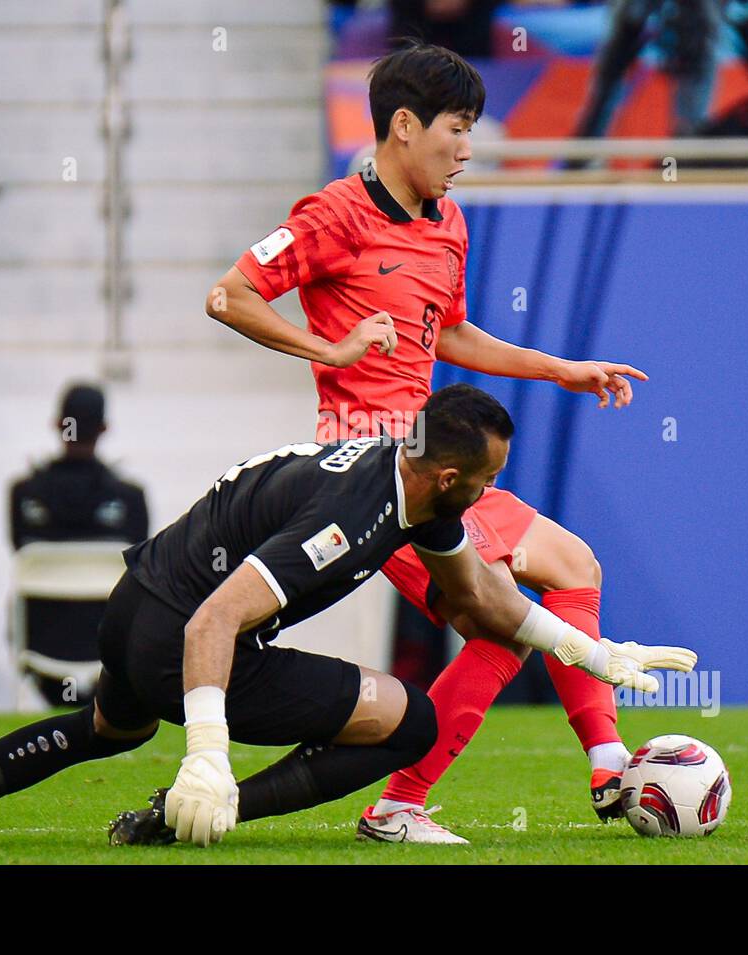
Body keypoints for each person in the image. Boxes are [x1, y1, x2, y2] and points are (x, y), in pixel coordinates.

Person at [0, 385, 694, 848]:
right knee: (409, 720)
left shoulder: (414, 482)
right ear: (447, 477)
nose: (489, 492)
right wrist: (206, 761)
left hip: (132, 608)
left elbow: (484, 601)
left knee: (105, 727)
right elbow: (215, 619)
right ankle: (206, 810)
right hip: (188, 635)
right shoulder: (350, 517)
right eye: (485, 479)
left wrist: (593, 649)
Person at [207, 42, 651, 843]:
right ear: (404, 126)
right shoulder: (334, 214)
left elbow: (448, 332)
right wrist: (332, 351)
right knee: (504, 619)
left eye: (473, 129)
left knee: (573, 566)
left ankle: (607, 762)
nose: (468, 150)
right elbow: (229, 295)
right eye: (457, 128)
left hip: (434, 466)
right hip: (371, 473)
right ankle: (401, 804)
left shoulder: (447, 222)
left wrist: (562, 369)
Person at [8, 383, 149, 707]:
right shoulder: (130, 497)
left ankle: (71, 707)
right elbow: (139, 565)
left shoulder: (23, 492)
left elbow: (18, 549)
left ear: (57, 424)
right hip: (106, 644)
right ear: (104, 428)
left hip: (38, 642)